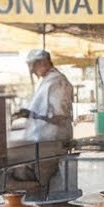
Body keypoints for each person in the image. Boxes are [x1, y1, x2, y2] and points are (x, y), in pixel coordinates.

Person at [10, 49, 75, 189]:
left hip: (52, 143)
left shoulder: (58, 82)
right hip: (42, 143)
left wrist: (34, 114)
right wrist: (28, 113)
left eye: (34, 67)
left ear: (43, 63)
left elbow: (60, 114)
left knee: (45, 184)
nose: (33, 71)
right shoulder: (46, 81)